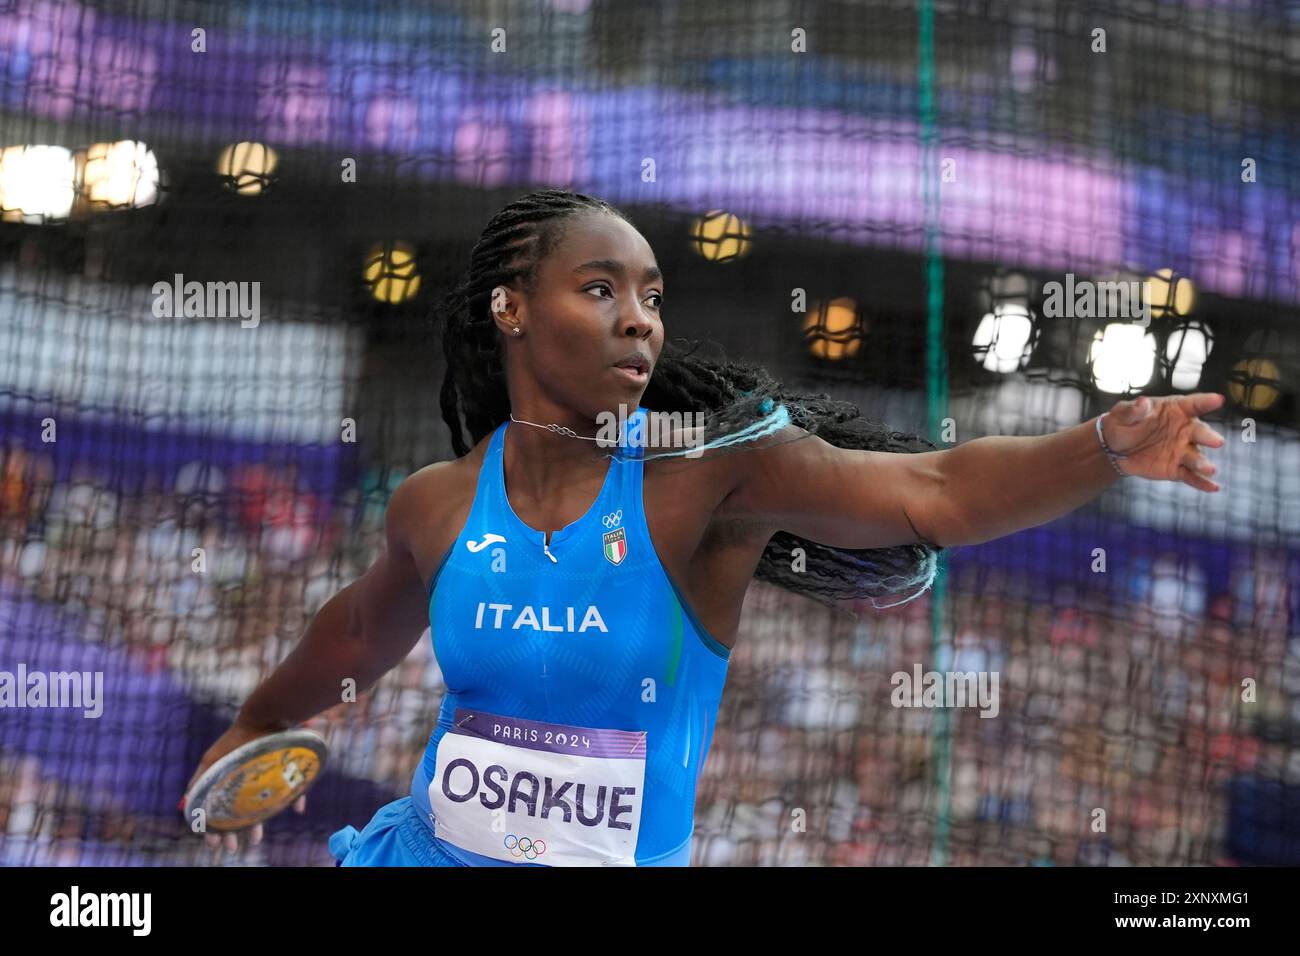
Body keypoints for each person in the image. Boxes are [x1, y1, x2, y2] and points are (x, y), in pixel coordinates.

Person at [186, 188, 1226, 866]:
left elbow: (937, 487)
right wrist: (257, 720)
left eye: (650, 293)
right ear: (511, 310)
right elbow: (357, 635)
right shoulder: (437, 501)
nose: (639, 315)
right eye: (600, 289)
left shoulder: (707, 479)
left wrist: (1097, 446)